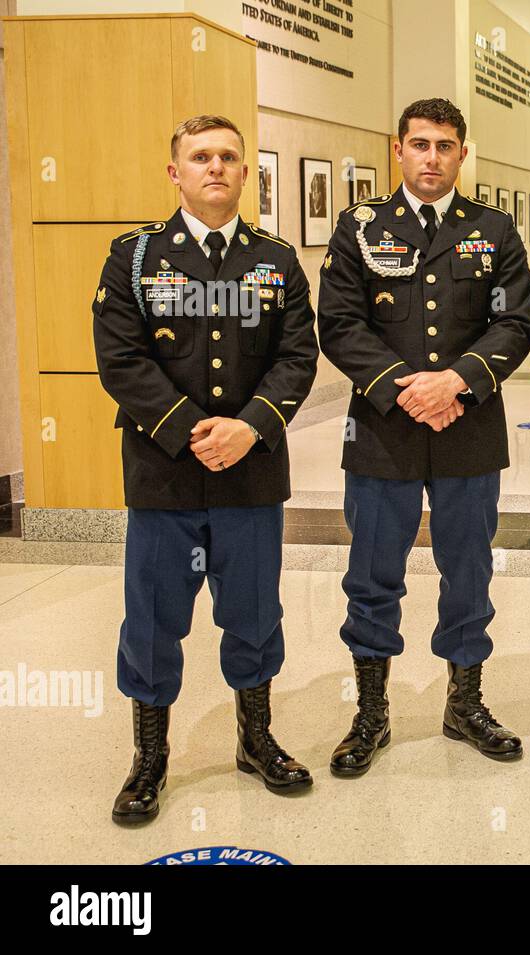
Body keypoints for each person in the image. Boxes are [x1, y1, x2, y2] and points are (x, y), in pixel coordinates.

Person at [93, 115, 319, 824]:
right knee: (154, 618)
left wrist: (249, 427)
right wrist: (193, 429)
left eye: (227, 156)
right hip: (164, 473)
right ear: (175, 173)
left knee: (253, 612)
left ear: (245, 172)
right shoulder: (133, 258)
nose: (215, 167)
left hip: (249, 474)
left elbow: (297, 356)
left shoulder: (277, 260)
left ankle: (255, 738)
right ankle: (151, 758)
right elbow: (120, 358)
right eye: (200, 157)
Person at [317, 98, 530, 775]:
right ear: (398, 149)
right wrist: (406, 387)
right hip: (384, 429)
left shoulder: (494, 230)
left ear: (462, 153)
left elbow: (517, 321)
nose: (432, 157)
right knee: (373, 573)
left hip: (468, 427)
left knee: (468, 568)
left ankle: (464, 702)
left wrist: (458, 381)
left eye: (445, 145)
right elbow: (339, 323)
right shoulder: (360, 227)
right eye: (420, 144)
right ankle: (372, 711)